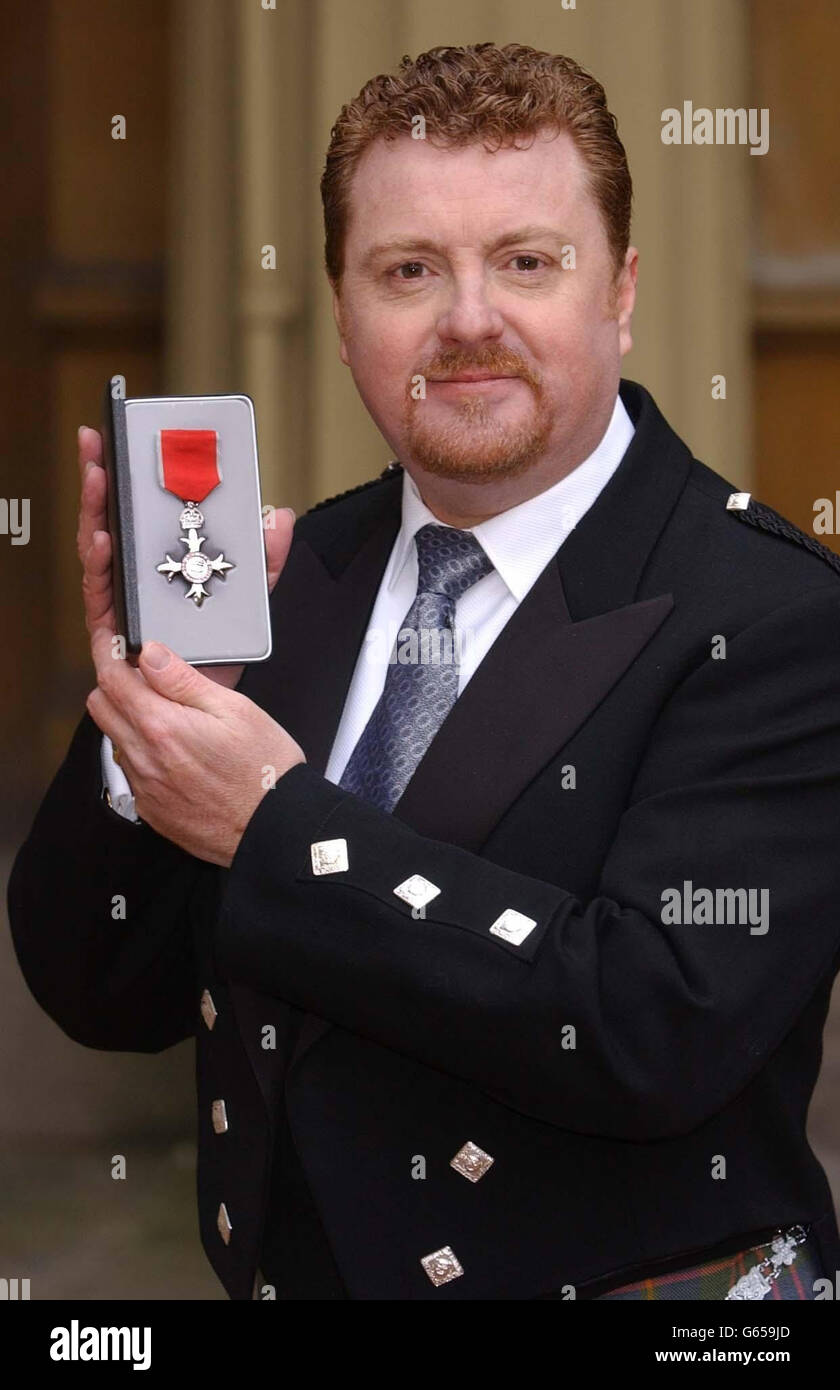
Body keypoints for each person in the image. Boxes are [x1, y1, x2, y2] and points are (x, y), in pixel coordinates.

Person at [8, 42, 840, 1301]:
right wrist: (148, 724)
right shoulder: (287, 579)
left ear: (619, 290)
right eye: (408, 269)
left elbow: (650, 1025)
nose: (467, 320)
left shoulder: (772, 614)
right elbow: (101, 992)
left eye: (526, 261)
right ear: (342, 314)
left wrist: (275, 827)